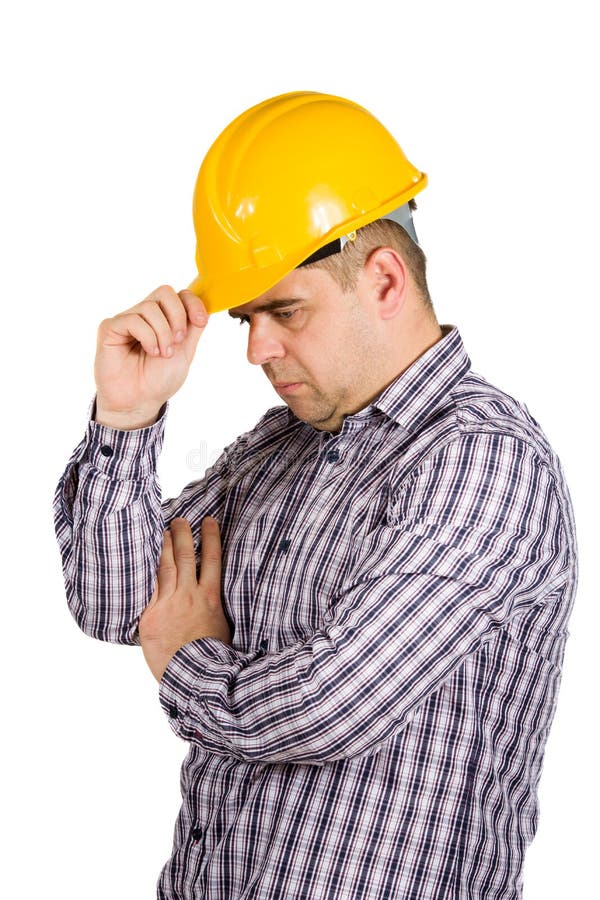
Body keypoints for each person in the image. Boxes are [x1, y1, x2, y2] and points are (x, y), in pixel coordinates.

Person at [53, 92, 578, 899]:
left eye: (285, 311)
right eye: (247, 320)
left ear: (385, 280)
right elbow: (116, 602)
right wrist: (127, 419)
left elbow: (331, 706)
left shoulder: (484, 460)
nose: (257, 349)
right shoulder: (276, 447)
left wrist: (190, 663)